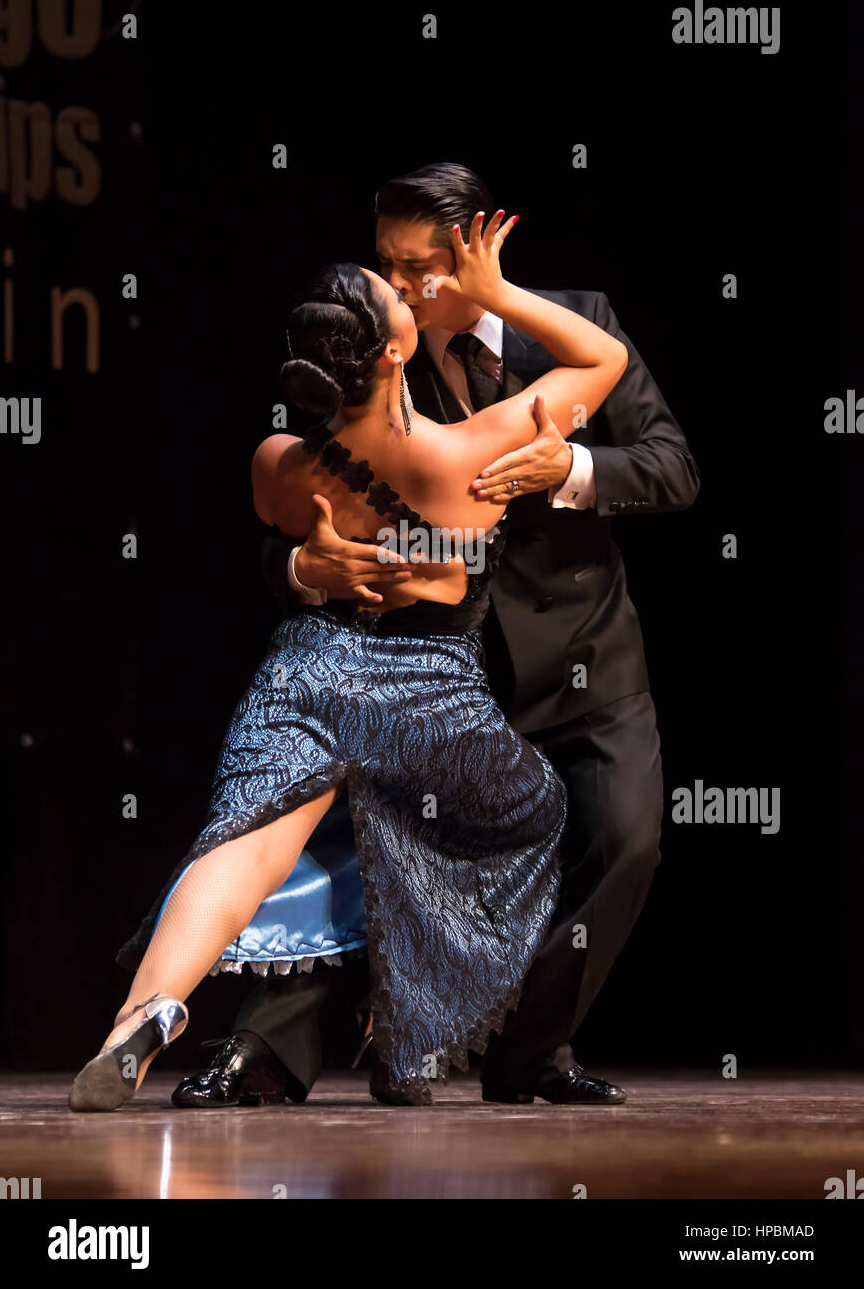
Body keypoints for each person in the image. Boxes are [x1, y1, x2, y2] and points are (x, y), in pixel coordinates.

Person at [68, 209, 628, 1111]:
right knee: (531, 810)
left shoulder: (276, 464)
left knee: (244, 842)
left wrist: (304, 565)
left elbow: (277, 528)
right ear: (395, 353)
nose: (407, 289)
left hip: (306, 670)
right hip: (426, 697)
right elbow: (605, 361)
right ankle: (408, 1030)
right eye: (390, 292)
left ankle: (143, 1014)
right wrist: (497, 293)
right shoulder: (467, 457)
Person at [174, 163, 700, 1110]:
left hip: (584, 653)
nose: (402, 286)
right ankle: (264, 1050)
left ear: (476, 251)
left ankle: (524, 1051)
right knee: (338, 819)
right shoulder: (377, 350)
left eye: (421, 266)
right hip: (437, 660)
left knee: (626, 840)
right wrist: (303, 570)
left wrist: (569, 465)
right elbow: (290, 506)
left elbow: (673, 468)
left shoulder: (573, 322)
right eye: (388, 263)